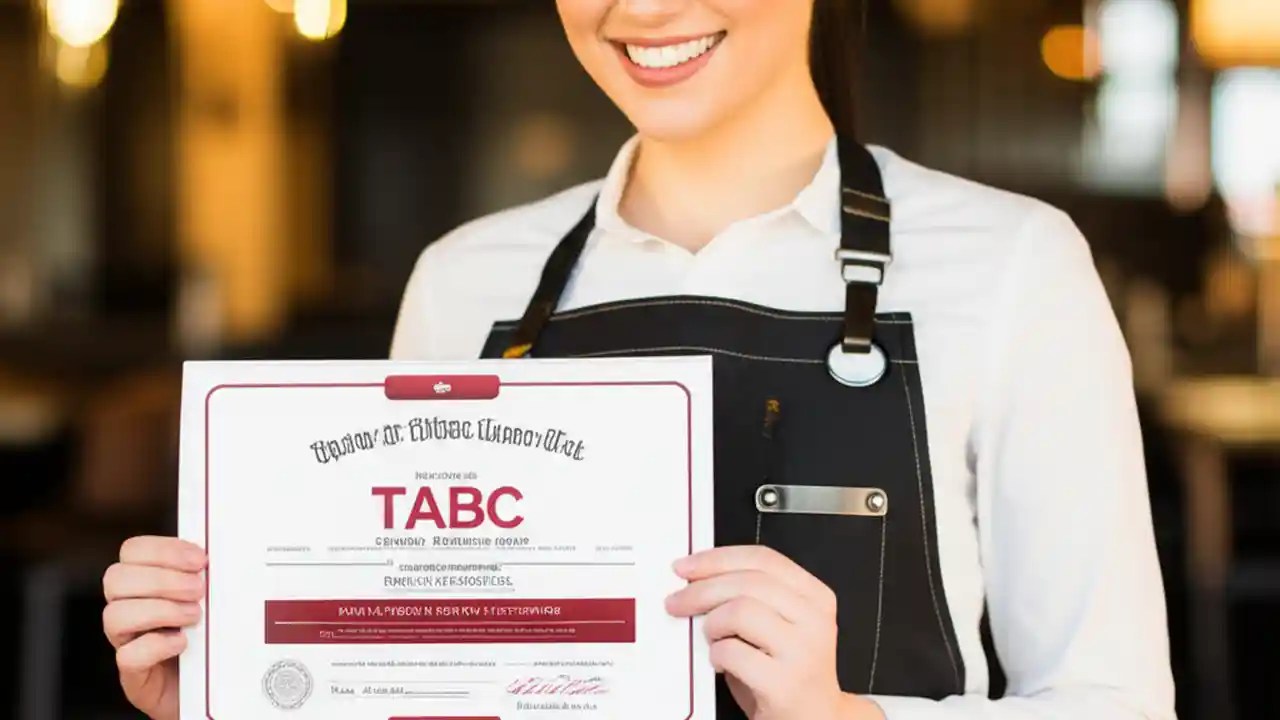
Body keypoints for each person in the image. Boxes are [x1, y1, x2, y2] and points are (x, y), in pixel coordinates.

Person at [101, 1, 1178, 718]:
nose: (639, 9)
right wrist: (222, 682)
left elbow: (1114, 702)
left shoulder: (1007, 264)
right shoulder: (467, 281)